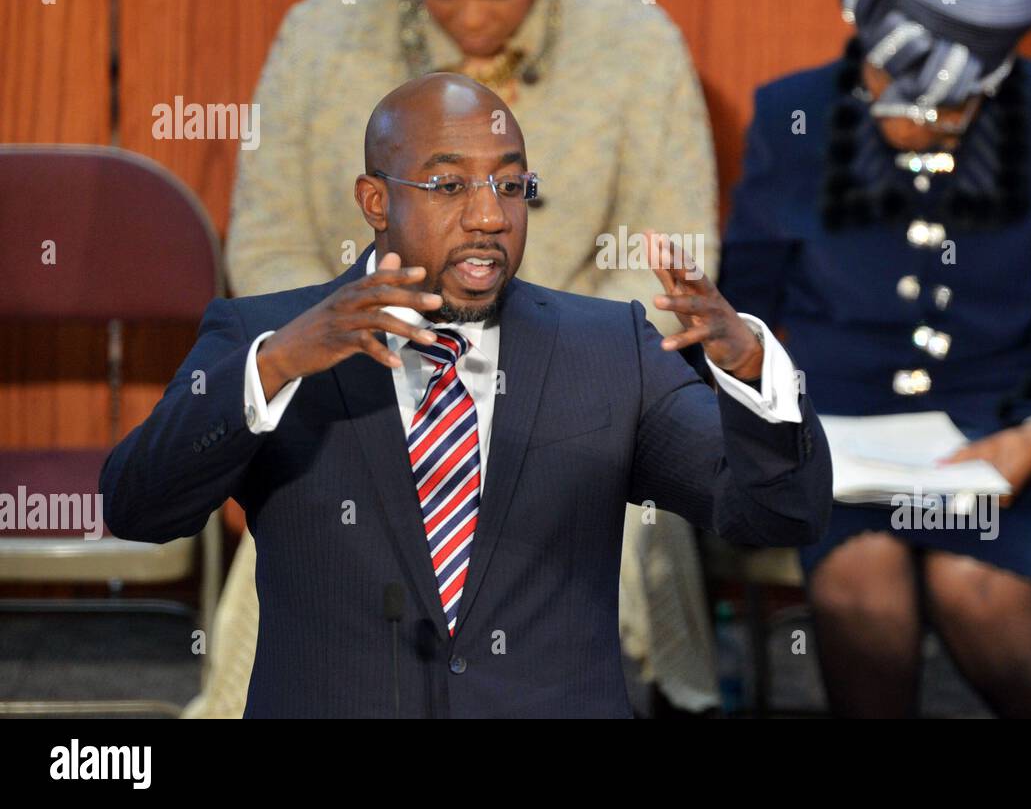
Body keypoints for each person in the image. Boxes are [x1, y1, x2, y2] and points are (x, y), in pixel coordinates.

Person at [101, 73, 831, 718]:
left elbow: (776, 512)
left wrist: (754, 371)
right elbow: (137, 507)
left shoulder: (609, 348)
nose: (489, 216)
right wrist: (277, 367)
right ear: (375, 200)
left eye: (511, 186)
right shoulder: (268, 338)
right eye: (449, 186)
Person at [217, 0, 722, 716]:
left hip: (579, 398)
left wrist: (553, 364)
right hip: (366, 386)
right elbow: (265, 245)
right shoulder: (321, 35)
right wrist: (354, 339)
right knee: (313, 534)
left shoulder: (635, 43)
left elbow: (671, 257)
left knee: (586, 536)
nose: (478, 17)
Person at [720, 0, 1031, 718]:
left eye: (937, 108)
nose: (906, 121)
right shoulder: (793, 115)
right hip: (836, 436)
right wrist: (721, 336)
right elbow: (747, 302)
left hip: (999, 426)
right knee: (862, 587)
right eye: (883, 89)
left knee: (977, 585)